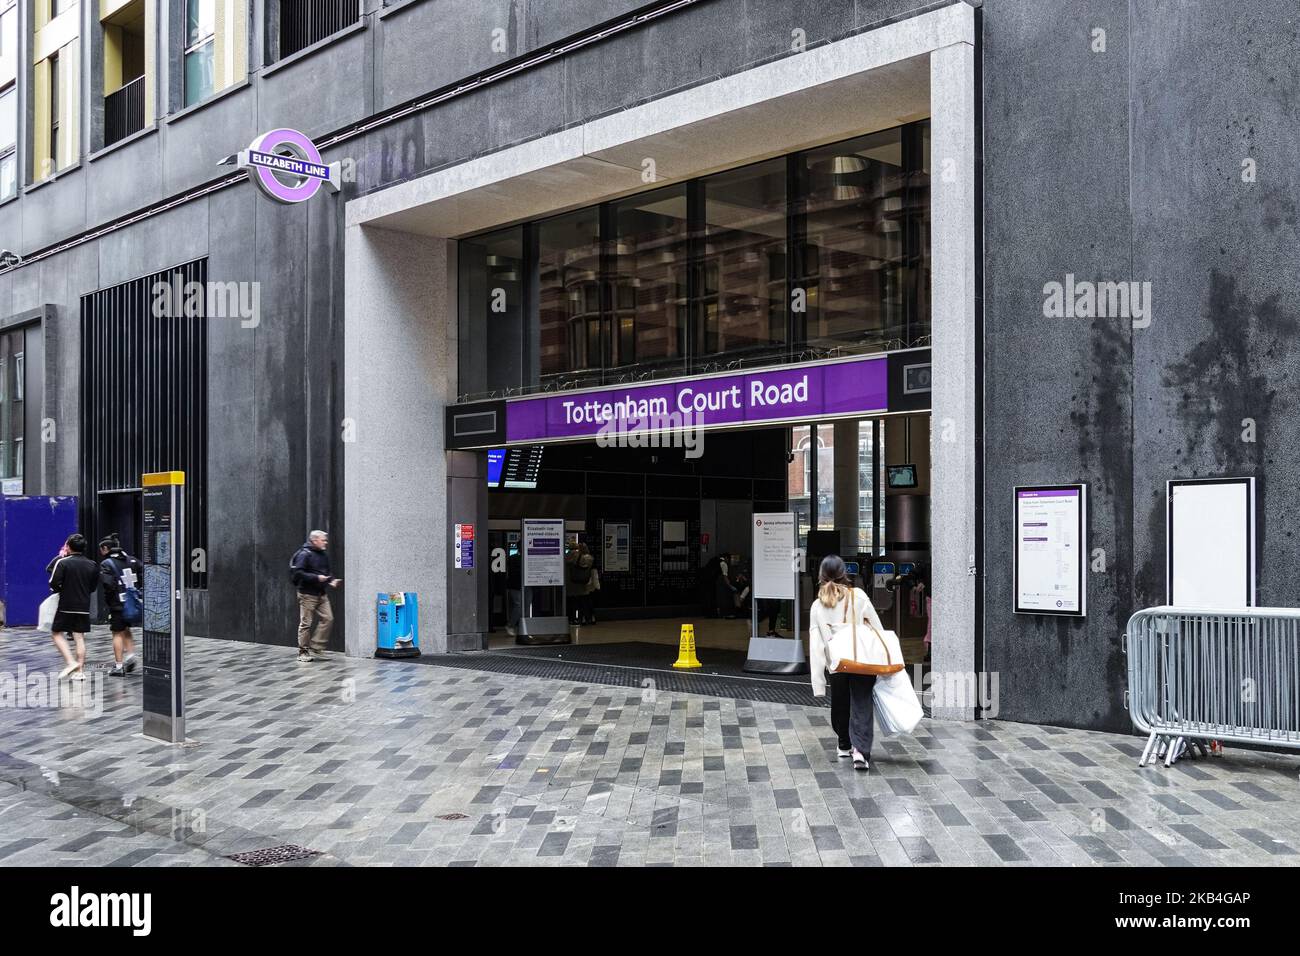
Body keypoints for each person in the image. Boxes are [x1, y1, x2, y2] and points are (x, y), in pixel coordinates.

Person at [809, 554, 888, 772]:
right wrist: (883, 659)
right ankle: (860, 751)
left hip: (836, 663)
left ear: (821, 577)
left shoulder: (817, 605)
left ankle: (844, 743)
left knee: (840, 704)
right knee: (862, 704)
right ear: (845, 574)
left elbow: (816, 646)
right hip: (861, 659)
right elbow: (877, 629)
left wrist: (817, 681)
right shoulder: (859, 596)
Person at [46, 534, 102, 681]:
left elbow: (53, 583)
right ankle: (80, 671)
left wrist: (62, 589)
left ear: (68, 547)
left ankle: (71, 662)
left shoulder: (63, 562)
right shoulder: (93, 564)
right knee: (79, 637)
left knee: (56, 633)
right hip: (83, 605)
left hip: (66, 605)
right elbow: (92, 587)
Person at [290, 530, 341, 663]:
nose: (326, 542)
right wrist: (316, 577)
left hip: (321, 594)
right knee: (306, 623)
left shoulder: (323, 554)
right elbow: (298, 573)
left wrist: (332, 580)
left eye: (325, 540)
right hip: (307, 594)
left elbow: (327, 572)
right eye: (323, 540)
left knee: (328, 618)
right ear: (314, 540)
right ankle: (303, 652)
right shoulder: (304, 554)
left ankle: (317, 647)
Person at [98, 534, 143, 677]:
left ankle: (118, 666)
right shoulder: (133, 560)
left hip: (117, 604)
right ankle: (130, 656)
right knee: (126, 629)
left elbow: (108, 585)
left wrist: (110, 601)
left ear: (106, 548)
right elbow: (144, 574)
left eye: (101, 550)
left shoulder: (107, 563)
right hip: (132, 602)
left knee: (117, 633)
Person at [566, 542, 595, 625]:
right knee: (581, 602)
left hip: (569, 583)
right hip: (579, 583)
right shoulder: (582, 557)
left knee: (571, 602)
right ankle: (583, 619)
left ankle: (571, 619)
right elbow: (588, 563)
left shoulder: (565, 556)